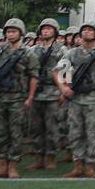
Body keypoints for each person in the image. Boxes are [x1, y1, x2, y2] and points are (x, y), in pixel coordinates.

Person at [0, 19, 40, 180]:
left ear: (20, 33)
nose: (10, 34)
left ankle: (13, 166)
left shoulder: (28, 53)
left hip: (18, 98)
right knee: (0, 132)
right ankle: (1, 166)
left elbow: (34, 77)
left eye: (13, 31)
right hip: (0, 97)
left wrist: (30, 97)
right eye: (8, 31)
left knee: (16, 133)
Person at [56, 21, 95, 178]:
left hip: (94, 97)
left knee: (92, 133)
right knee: (75, 132)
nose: (87, 32)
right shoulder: (72, 53)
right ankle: (77, 165)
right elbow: (59, 71)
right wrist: (64, 88)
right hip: (76, 98)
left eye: (90, 30)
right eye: (84, 30)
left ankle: (90, 165)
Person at [26, 18, 66, 172]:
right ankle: (38, 158)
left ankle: (50, 158)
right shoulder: (33, 50)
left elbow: (66, 72)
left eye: (49, 28)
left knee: (52, 127)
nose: (45, 31)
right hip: (36, 94)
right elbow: (28, 72)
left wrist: (64, 91)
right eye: (43, 28)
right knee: (36, 128)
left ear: (55, 31)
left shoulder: (61, 50)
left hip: (53, 93)